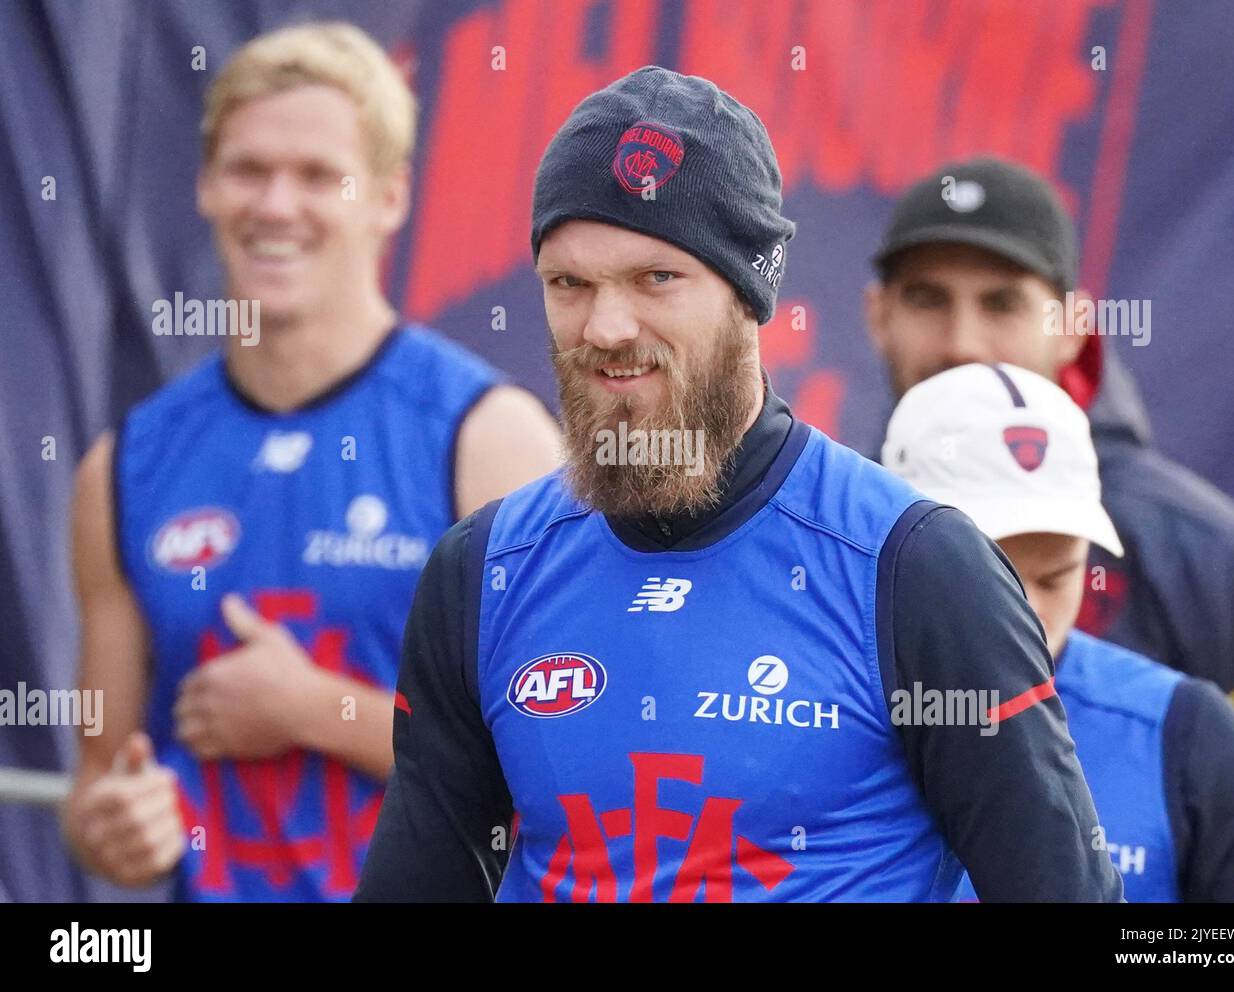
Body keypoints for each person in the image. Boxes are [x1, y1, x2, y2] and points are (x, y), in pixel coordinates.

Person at [356, 66, 1121, 903]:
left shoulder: (917, 566)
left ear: (749, 297)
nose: (607, 328)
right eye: (569, 283)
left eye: (657, 278)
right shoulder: (484, 571)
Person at [62, 22, 562, 900]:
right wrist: (114, 826)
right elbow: (99, 779)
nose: (277, 206)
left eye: (317, 175)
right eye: (249, 169)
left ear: (389, 198)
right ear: (207, 187)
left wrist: (312, 710)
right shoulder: (126, 465)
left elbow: (556, 770)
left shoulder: (489, 439)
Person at [865, 157, 1234, 853]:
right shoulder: (822, 527)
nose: (962, 343)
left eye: (1002, 302)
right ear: (877, 316)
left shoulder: (1215, 560)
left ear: (1073, 325)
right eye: (927, 299)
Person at [884, 362, 1234, 902]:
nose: (1026, 616)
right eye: (989, 579)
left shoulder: (1182, 728)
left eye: (1057, 576)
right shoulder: (804, 707)